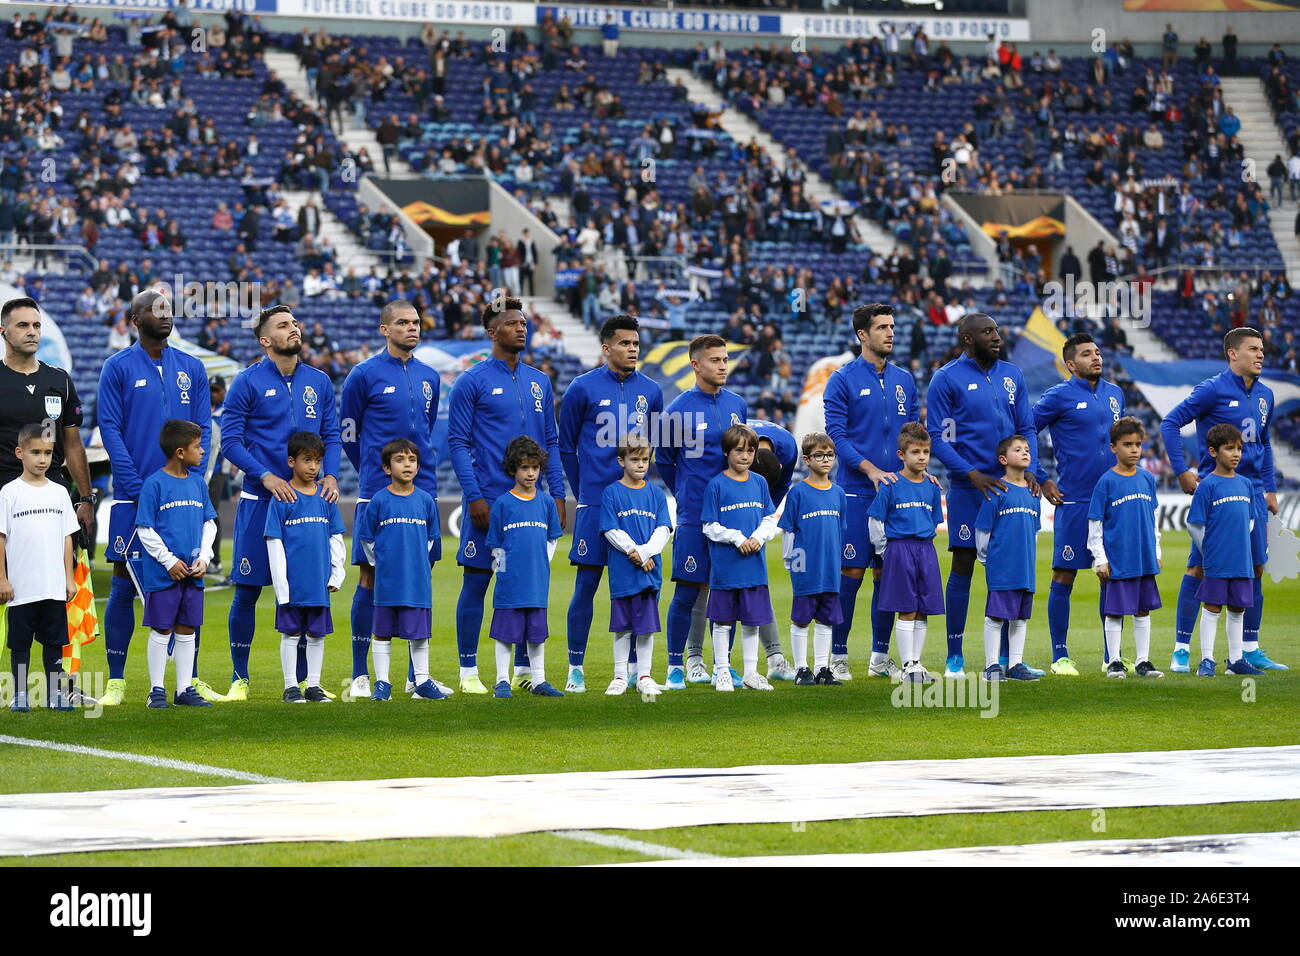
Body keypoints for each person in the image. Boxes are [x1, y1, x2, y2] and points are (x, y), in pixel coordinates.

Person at [97, 291, 214, 706]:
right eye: (155, 309)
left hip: (183, 494)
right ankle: (115, 680)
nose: (164, 315)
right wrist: (135, 482)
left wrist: (191, 478)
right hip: (133, 495)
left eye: (168, 309)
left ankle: (188, 681)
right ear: (135, 318)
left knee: (187, 581)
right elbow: (109, 427)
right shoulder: (117, 367)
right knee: (123, 585)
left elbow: (203, 427)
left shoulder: (193, 367)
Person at [219, 305, 341, 700]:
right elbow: (231, 442)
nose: (295, 329)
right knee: (248, 590)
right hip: (260, 500)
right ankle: (240, 677)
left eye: (295, 323)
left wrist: (332, 475)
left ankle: (304, 681)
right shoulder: (247, 382)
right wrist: (266, 476)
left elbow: (332, 437)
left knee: (307, 590)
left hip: (307, 505)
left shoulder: (319, 382)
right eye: (284, 325)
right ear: (265, 340)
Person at [447, 298, 565, 693]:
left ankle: (526, 673)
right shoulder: (471, 380)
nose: (521, 328)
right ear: (492, 332)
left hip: (532, 501)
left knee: (528, 587)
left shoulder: (540, 381)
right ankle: (468, 672)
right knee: (478, 581)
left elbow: (551, 440)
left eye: (524, 322)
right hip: (490, 500)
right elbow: (458, 442)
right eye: (512, 323)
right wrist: (475, 495)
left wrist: (559, 491)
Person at [1159, 328, 1284, 673]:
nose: (1261, 355)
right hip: (1217, 493)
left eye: (1262, 349)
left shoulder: (1265, 395)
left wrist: (1269, 487)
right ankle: (1182, 648)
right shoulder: (1212, 389)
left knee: (1255, 568)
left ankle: (1248, 648)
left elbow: (1266, 441)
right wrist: (1183, 470)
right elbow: (1170, 423)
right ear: (1232, 354)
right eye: (1253, 349)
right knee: (1199, 567)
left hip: (1254, 492)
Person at [340, 300, 444, 700]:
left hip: (423, 491)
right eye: (402, 322)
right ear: (385, 329)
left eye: (416, 322)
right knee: (370, 575)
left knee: (418, 575)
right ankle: (361, 673)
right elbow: (348, 431)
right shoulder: (363, 375)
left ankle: (415, 677)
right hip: (376, 491)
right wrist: (373, 469)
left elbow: (427, 428)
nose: (412, 328)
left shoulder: (430, 376)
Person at [926, 313, 1039, 679]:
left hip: (1009, 490)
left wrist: (1030, 469)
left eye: (997, 329)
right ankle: (954, 656)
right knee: (963, 567)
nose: (997, 336)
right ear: (967, 340)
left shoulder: (1012, 375)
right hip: (969, 490)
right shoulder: (946, 378)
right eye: (987, 331)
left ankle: (1007, 660)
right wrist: (969, 473)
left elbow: (1026, 427)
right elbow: (938, 437)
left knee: (1009, 573)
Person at [558, 315, 662, 693]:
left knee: (638, 586)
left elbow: (655, 442)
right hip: (594, 503)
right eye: (625, 344)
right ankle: (575, 667)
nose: (633, 350)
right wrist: (583, 488)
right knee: (586, 585)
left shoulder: (650, 391)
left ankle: (635, 668)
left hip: (637, 505)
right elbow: (565, 445)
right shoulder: (582, 388)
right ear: (606, 348)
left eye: (636, 344)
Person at [822, 303, 920, 682]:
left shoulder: (905, 380)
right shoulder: (842, 379)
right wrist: (871, 470)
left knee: (887, 575)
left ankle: (880, 657)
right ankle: (839, 654)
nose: (890, 333)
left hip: (895, 495)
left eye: (892, 326)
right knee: (851, 571)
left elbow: (913, 435)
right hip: (854, 494)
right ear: (862, 335)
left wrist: (916, 473)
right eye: (882, 327)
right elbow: (837, 437)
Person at [655, 335, 747, 687]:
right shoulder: (676, 410)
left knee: (727, 591)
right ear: (695, 364)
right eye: (715, 360)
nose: (723, 365)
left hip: (733, 515)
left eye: (725, 359)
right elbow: (664, 462)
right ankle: (679, 664)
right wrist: (690, 492)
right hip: (695, 515)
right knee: (688, 590)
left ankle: (721, 665)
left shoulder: (737, 404)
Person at [1033, 333, 1125, 675]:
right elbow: (1026, 428)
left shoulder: (1116, 394)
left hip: (1114, 501)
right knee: (1064, 574)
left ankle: (1111, 655)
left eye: (1098, 352)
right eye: (1087, 354)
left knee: (1110, 576)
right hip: (1075, 500)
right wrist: (1041, 476)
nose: (1096, 358)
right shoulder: (1059, 396)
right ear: (1071, 364)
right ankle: (1060, 656)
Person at [355, 438, 445, 701]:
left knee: (418, 633)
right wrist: (382, 562)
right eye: (400, 460)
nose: (407, 465)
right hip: (387, 581)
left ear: (418, 467)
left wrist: (414, 559)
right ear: (386, 468)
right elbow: (367, 539)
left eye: (412, 460)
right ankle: (383, 684)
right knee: (382, 632)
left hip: (417, 580)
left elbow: (431, 538)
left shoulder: (426, 501)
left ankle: (422, 680)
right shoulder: (379, 501)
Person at [0, 299, 96, 548]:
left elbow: (73, 445)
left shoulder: (59, 380)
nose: (32, 331)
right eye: (22, 325)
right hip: (4, 492)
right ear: (3, 332)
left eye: (36, 325)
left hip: (52, 493)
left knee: (56, 579)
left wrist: (85, 499)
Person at [135, 420, 218, 709]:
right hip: (164, 573)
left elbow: (210, 523)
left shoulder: (198, 483)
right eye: (198, 446)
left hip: (193, 572)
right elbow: (145, 530)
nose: (203, 451)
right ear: (181, 452)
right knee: (161, 628)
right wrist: (169, 561)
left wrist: (204, 557)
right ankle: (156, 689)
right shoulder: (154, 484)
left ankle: (183, 689)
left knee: (187, 628)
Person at [0, 423, 80, 712]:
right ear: (20, 452)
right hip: (21, 586)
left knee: (54, 642)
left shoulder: (59, 492)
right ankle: (19, 694)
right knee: (20, 644)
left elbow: (67, 537)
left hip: (53, 585)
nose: (42, 459)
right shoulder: (9, 493)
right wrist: (2, 579)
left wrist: (69, 578)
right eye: (36, 452)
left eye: (47, 453)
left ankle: (55, 693)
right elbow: (1, 537)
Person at [265, 431, 346, 704]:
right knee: (290, 633)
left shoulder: (326, 497)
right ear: (291, 461)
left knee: (317, 634)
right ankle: (290, 687)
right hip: (292, 582)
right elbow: (274, 543)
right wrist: (281, 585)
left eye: (318, 461)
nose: (313, 467)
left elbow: (336, 537)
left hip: (318, 581)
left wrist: (337, 572)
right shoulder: (282, 499)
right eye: (307, 460)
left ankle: (313, 685)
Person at [700, 423, 780, 692]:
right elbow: (709, 526)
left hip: (753, 567)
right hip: (726, 568)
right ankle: (721, 669)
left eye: (750, 451)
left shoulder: (759, 483)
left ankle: (750, 672)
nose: (744, 456)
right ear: (727, 453)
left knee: (752, 621)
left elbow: (769, 518)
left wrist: (758, 537)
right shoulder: (716, 485)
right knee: (722, 621)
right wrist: (736, 537)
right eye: (739, 451)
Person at [486, 436, 565, 699]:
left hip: (537, 581)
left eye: (535, 467)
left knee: (536, 634)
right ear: (513, 470)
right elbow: (496, 545)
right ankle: (501, 681)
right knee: (505, 634)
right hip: (510, 582)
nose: (530, 473)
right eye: (524, 467)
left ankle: (539, 680)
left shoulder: (545, 503)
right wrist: (505, 571)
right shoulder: (503, 504)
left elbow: (552, 539)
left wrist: (540, 564)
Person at [867, 423, 945, 685]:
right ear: (902, 455)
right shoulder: (890, 484)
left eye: (926, 452)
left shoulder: (933, 486)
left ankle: (917, 662)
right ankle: (906, 664)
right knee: (907, 609)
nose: (922, 457)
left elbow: (934, 520)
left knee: (923, 609)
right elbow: (875, 521)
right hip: (899, 549)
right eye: (915, 452)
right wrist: (885, 550)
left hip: (926, 549)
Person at [1088, 417, 1164, 680]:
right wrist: (1100, 557)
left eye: (1138, 444)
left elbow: (1153, 517)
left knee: (1143, 609)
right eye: (1127, 444)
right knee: (1115, 610)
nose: (1134, 449)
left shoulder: (1147, 478)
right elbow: (1095, 523)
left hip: (1143, 556)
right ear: (1113, 448)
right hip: (1118, 558)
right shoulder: (1106, 482)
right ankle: (1114, 661)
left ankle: (1143, 661)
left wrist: (1157, 551)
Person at [1187, 424, 1263, 677]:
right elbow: (1195, 524)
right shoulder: (1208, 485)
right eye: (1229, 448)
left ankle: (1236, 659)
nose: (1236, 454)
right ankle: (1207, 660)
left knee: (1238, 608)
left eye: (1239, 448)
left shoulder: (1245, 484)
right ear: (1213, 452)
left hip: (1242, 559)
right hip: (1217, 560)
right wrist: (1209, 551)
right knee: (1212, 606)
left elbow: (1250, 521)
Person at [599, 435, 670, 698]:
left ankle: (644, 675)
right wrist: (636, 552)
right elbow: (610, 530)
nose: (641, 464)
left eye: (644, 459)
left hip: (649, 570)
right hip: (624, 570)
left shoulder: (655, 493)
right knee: (622, 626)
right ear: (621, 460)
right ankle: (619, 675)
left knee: (646, 626)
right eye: (634, 459)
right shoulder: (611, 492)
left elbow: (664, 529)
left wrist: (646, 552)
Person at [779, 432, 848, 686]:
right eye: (819, 455)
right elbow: (789, 530)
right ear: (807, 460)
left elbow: (840, 529)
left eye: (830, 454)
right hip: (805, 565)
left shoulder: (838, 493)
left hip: (829, 566)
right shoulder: (798, 493)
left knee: (826, 617)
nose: (826, 459)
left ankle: (822, 668)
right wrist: (790, 560)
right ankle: (801, 668)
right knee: (801, 617)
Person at [974, 435, 1041, 683]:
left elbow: (1034, 531)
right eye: (1018, 450)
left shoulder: (1034, 493)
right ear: (1003, 459)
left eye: (1027, 449)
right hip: (1002, 565)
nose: (1025, 452)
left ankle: (1015, 663)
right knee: (996, 615)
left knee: (1020, 616)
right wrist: (987, 560)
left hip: (1025, 566)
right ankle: (991, 665)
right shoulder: (996, 491)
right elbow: (982, 532)